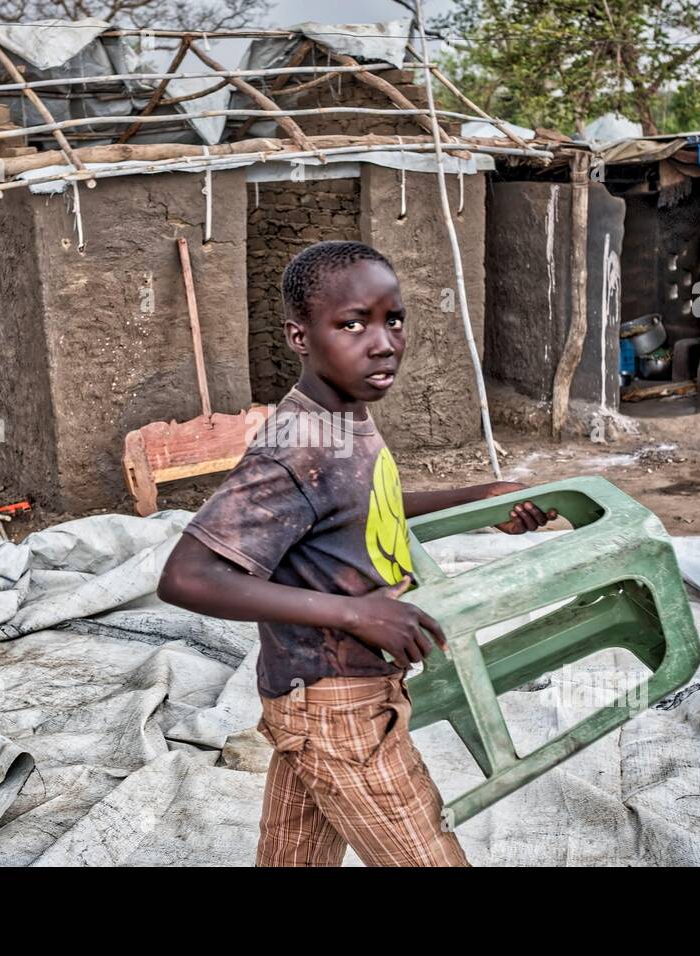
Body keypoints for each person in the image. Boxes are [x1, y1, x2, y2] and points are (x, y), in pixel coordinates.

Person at [157, 240, 556, 867]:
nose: (383, 342)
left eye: (392, 319)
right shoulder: (297, 445)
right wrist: (355, 614)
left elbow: (363, 507)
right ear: (298, 335)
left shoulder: (346, 414)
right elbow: (186, 576)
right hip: (336, 708)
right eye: (352, 324)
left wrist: (480, 500)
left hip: (326, 696)